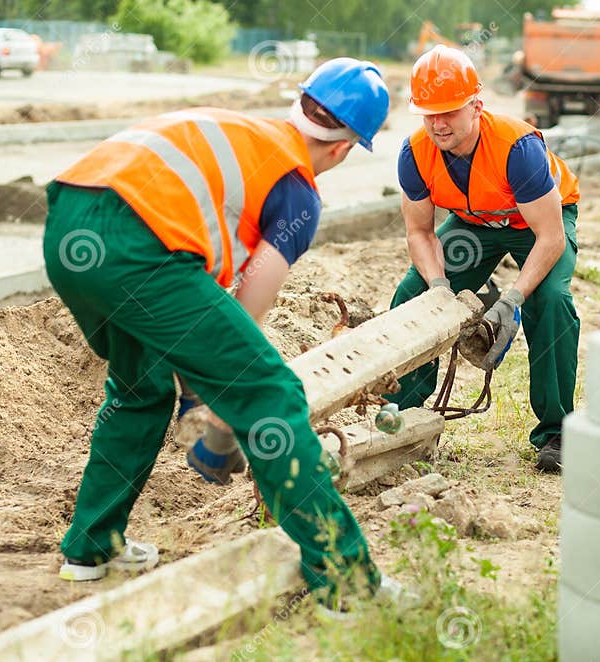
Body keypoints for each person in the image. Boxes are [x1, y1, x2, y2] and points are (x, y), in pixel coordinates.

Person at [42, 58, 393, 606]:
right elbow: (249, 314)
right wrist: (223, 427)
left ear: (298, 106)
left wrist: (198, 396)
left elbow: (202, 324)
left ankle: (92, 547)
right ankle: (348, 583)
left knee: (140, 389)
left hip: (70, 223)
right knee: (271, 392)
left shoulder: (244, 133)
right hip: (139, 249)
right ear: (346, 148)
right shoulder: (296, 192)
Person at [387, 45, 581, 473]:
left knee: (550, 300)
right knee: (412, 291)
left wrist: (511, 300)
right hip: (475, 222)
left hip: (535, 224)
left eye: (450, 112)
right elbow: (419, 232)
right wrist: (438, 288)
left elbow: (550, 237)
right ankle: (400, 412)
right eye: (428, 113)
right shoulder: (415, 153)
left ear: (476, 105)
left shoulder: (517, 148)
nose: (438, 124)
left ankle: (557, 431)